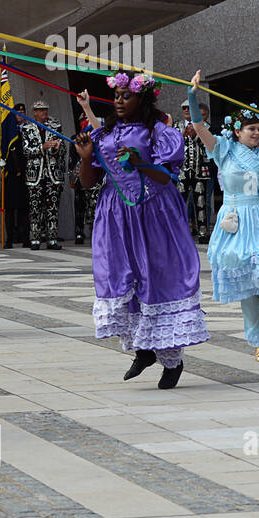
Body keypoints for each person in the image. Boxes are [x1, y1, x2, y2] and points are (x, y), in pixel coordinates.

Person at [73, 75, 207, 389]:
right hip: (116, 217)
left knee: (158, 278)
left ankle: (172, 361)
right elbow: (89, 181)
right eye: (116, 96)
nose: (118, 101)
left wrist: (140, 164)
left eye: (125, 96)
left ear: (141, 100)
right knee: (122, 278)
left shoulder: (160, 132)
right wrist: (84, 158)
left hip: (155, 213)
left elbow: (166, 178)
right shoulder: (104, 135)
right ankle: (143, 349)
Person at [188, 72, 259, 361]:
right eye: (250, 128)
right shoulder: (223, 151)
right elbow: (198, 126)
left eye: (258, 128)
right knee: (244, 281)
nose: (256, 133)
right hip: (233, 219)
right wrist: (192, 94)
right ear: (237, 131)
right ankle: (258, 341)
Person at [21, 98, 69, 250]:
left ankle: (52, 239)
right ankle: (35, 239)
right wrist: (43, 147)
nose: (44, 112)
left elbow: (64, 149)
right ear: (34, 112)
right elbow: (26, 151)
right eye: (41, 110)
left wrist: (56, 148)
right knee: (35, 207)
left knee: (53, 206)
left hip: (53, 173)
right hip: (35, 174)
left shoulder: (56, 126)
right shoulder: (27, 128)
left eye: (46, 109)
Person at [177, 98, 213, 244]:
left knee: (201, 202)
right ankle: (179, 232)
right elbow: (171, 146)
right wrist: (181, 136)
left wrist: (196, 135)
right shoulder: (177, 126)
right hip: (182, 171)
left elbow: (210, 147)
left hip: (200, 170)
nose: (186, 110)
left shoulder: (206, 127)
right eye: (184, 108)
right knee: (180, 203)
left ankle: (203, 233)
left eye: (188, 107)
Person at [0, 103, 31, 248]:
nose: (20, 115)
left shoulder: (29, 130)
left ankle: (25, 238)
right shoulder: (7, 131)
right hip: (10, 174)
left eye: (23, 112)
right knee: (9, 208)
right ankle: (9, 238)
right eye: (18, 112)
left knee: (24, 208)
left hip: (26, 174)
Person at [70, 115, 103, 244]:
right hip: (80, 175)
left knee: (95, 206)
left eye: (87, 120)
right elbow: (72, 160)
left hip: (96, 176)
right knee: (80, 206)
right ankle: (79, 232)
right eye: (82, 121)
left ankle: (96, 231)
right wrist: (73, 178)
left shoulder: (98, 136)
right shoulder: (75, 138)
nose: (85, 123)